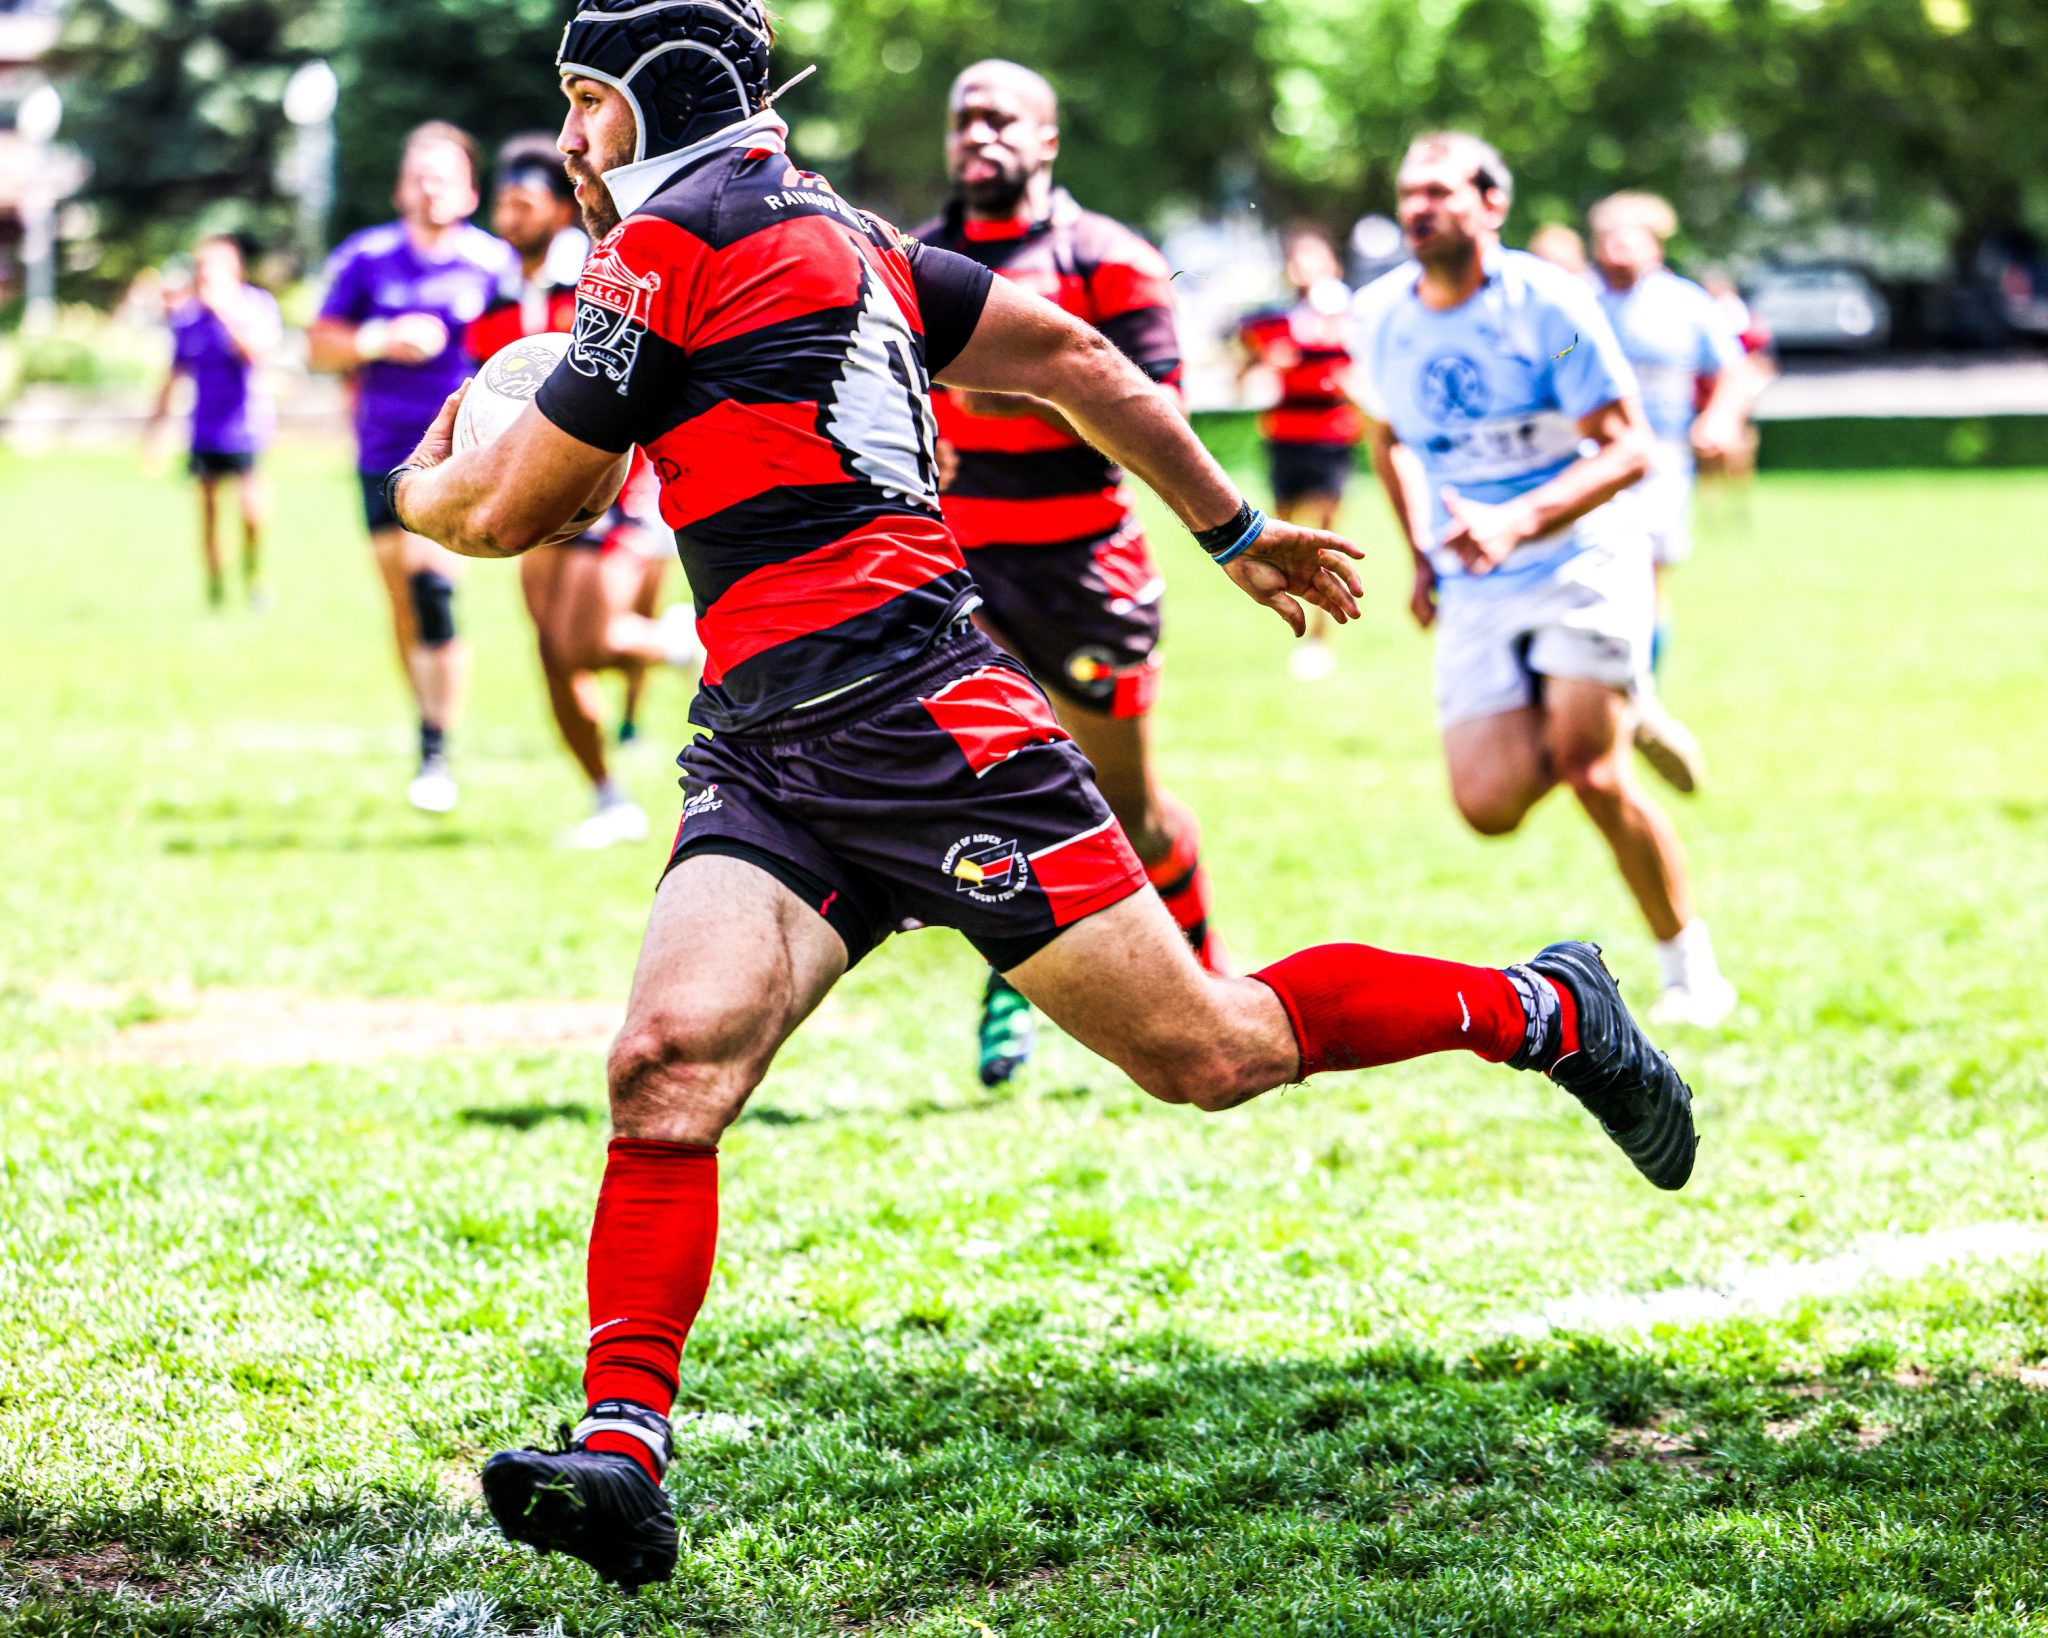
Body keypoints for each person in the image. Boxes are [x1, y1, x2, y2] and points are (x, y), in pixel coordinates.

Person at [386, 8, 1697, 1590]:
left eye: (587, 105)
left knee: (1207, 1049)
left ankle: (1544, 1006)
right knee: (666, 1062)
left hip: (927, 724)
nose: (570, 144)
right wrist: (1231, 530)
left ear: (651, 104)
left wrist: (421, 474)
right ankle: (622, 1450)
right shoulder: (847, 235)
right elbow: (1073, 361)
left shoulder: (671, 243)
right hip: (769, 742)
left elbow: (504, 510)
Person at [1351, 133, 1735, 1028]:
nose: (1419, 208)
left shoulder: (1545, 307)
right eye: (1409, 193)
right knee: (1486, 807)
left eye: (1441, 192)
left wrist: (1519, 520)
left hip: (1580, 555)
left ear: (1493, 204)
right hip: (1475, 577)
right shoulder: (1379, 316)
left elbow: (1629, 447)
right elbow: (1388, 440)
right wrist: (1420, 556)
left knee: (1591, 772)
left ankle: (1692, 971)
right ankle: (1619, 703)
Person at [915, 59, 1227, 1088]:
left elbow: (1157, 418)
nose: (979, 135)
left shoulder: (1110, 261)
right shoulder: (917, 257)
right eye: (964, 119)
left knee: (1125, 814)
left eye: (1001, 119)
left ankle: (1207, 968)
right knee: (1004, 794)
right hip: (960, 567)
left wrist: (1024, 387)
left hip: (1085, 571)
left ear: (1047, 139)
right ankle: (1017, 983)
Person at [468, 134, 699, 849]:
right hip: (534, 489)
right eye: (504, 204)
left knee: (590, 641)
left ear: (558, 209)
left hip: (616, 489)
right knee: (552, 652)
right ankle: (608, 799)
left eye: (524, 203)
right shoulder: (496, 291)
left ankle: (686, 644)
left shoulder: (599, 274)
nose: (510, 217)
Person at [308, 122, 518, 814]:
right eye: (420, 177)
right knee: (402, 598)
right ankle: (428, 727)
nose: (431, 189)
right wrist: (377, 338)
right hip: (380, 452)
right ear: (401, 190)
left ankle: (435, 748)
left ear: (470, 192)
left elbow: (526, 347)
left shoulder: (493, 264)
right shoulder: (366, 259)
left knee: (432, 586)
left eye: (445, 177)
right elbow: (319, 346)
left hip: (460, 454)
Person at [1587, 192, 1770, 792]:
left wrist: (1718, 419)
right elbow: (1557, 355)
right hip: (1588, 460)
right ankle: (1606, 694)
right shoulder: (1581, 305)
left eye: (1629, 238)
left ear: (1654, 245)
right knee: (1594, 573)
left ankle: (1641, 698)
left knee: (1646, 575)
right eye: (1608, 238)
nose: (1617, 250)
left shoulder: (1685, 306)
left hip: (1660, 461)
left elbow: (1736, 371)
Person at [1234, 227, 1366, 681]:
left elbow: (1359, 373)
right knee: (1281, 535)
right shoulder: (1276, 323)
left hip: (1330, 438)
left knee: (1325, 537)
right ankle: (1292, 627)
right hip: (1286, 436)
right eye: (1297, 259)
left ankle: (1320, 640)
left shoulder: (1348, 319)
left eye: (1312, 258)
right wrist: (1260, 363)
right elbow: (1244, 362)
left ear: (1332, 266)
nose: (1302, 268)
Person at [146, 234, 281, 609]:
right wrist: (154, 432)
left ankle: (254, 576)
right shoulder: (188, 319)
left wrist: (223, 313)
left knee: (252, 512)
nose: (205, 275)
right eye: (201, 268)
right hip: (204, 429)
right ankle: (215, 589)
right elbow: (173, 376)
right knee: (208, 513)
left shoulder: (256, 306)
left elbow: (256, 355)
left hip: (247, 427)